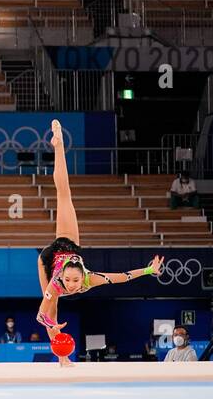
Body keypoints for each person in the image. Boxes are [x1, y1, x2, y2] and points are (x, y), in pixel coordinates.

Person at [34, 120, 164, 368]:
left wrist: (148, 270)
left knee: (65, 194)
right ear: (63, 276)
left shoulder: (90, 278)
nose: (72, 286)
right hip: (49, 258)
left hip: (69, 246)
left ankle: (58, 145)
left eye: (74, 281)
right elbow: (41, 314)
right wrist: (52, 324)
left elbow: (123, 277)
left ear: (82, 275)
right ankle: (63, 357)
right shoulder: (57, 281)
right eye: (69, 281)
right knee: (51, 309)